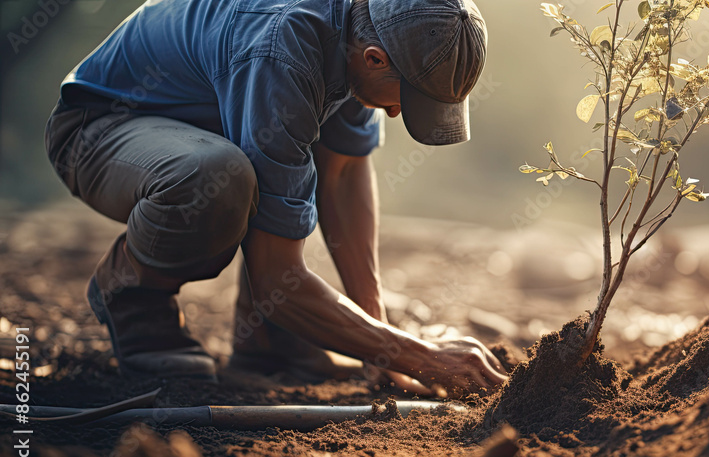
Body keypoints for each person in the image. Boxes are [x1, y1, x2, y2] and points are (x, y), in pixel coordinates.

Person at [43, 0, 507, 394]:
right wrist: (421, 356)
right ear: (374, 59)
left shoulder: (362, 24)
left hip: (202, 127)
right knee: (218, 177)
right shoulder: (284, 46)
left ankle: (268, 340)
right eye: (407, 97)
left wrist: (379, 340)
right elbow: (277, 278)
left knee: (259, 157)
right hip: (98, 129)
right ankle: (134, 297)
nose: (394, 110)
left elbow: (343, 174)